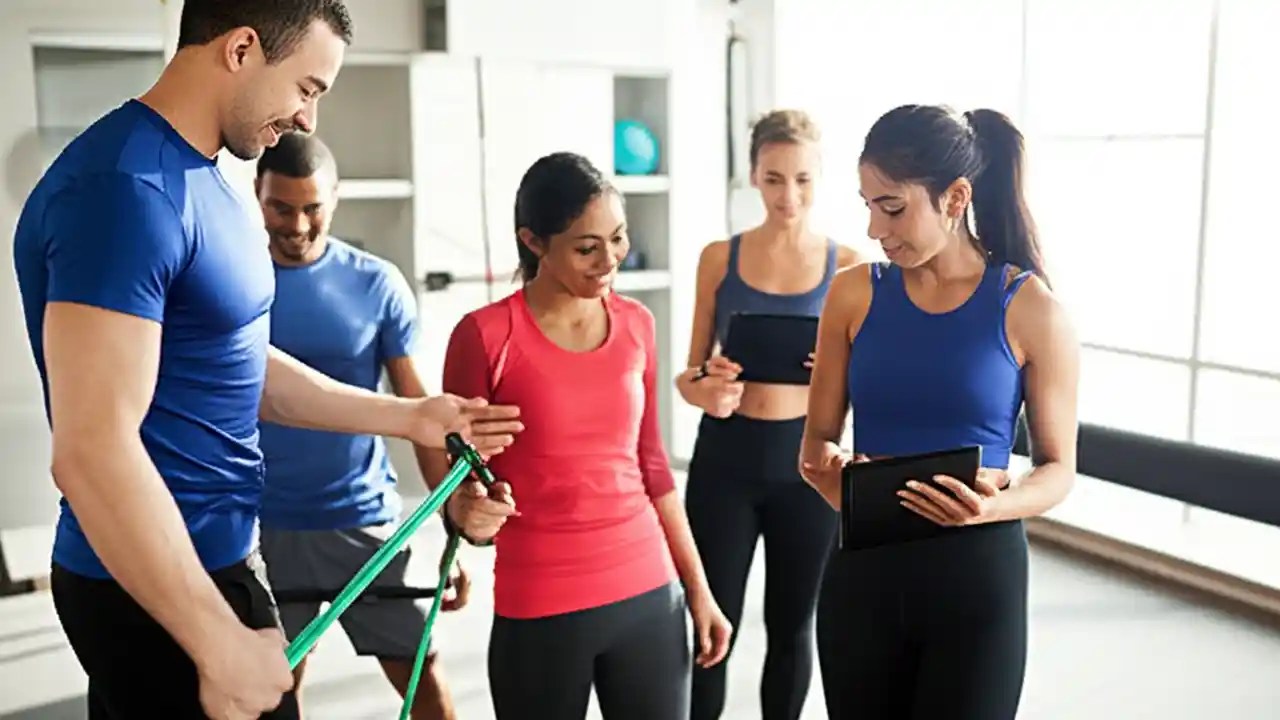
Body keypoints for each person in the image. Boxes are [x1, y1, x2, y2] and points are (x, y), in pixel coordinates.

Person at [10, 3, 520, 718]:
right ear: (242, 49)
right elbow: (92, 449)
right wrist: (213, 638)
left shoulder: (208, 177)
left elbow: (238, 367)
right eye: (308, 87)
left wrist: (410, 416)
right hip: (152, 581)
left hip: (221, 557)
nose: (309, 119)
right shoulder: (123, 192)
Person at [428, 151, 734, 720]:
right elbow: (460, 483)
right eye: (586, 247)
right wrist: (466, 515)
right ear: (534, 241)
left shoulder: (638, 324)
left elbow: (654, 468)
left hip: (647, 592)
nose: (609, 260)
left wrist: (699, 590)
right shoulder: (485, 336)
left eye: (617, 239)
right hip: (540, 601)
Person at [798, 104, 1080, 720]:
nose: (875, 228)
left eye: (892, 207)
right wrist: (837, 479)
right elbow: (816, 444)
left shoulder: (1031, 308)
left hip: (977, 583)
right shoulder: (852, 292)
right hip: (863, 576)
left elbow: (1058, 469)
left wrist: (993, 506)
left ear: (955, 198)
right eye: (868, 204)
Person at [252, 132, 471, 720]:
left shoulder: (377, 283)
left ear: (335, 200)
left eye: (312, 207)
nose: (297, 224)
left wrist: (455, 531)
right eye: (281, 207)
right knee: (272, 696)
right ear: (257, 194)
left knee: (425, 684)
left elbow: (421, 413)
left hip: (362, 524)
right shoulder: (231, 281)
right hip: (260, 527)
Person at [673, 109, 862, 720]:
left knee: (792, 626)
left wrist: (834, 370)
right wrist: (708, 388)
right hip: (725, 461)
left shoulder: (851, 265)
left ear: (821, 178)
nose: (790, 195)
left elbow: (868, 383)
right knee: (709, 622)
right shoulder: (717, 259)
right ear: (753, 176)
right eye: (775, 178)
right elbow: (689, 373)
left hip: (807, 466)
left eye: (803, 179)